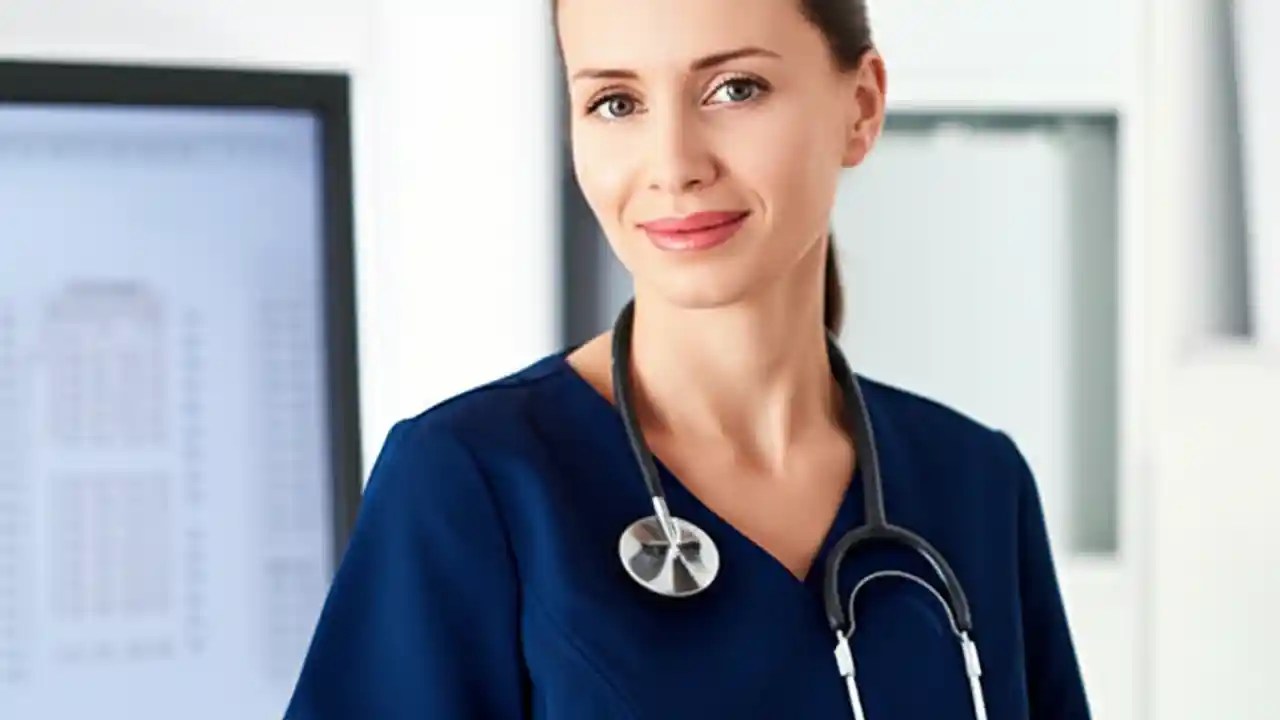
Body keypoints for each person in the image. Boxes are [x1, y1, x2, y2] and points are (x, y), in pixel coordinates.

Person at [283, 0, 1092, 717]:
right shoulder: (474, 481)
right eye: (616, 102)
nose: (673, 164)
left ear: (862, 106)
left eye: (734, 89)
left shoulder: (975, 484)